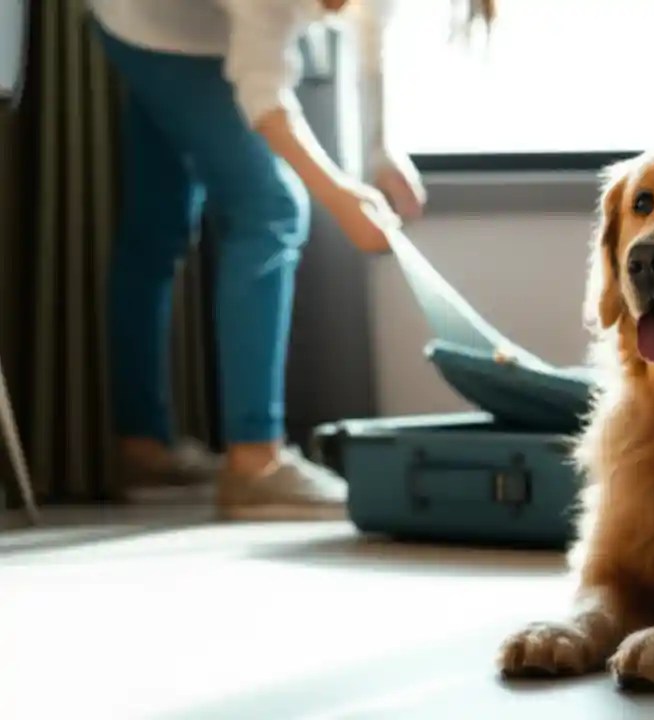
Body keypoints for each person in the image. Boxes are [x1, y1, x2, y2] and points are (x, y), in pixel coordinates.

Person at [86, 0, 494, 520]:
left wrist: (379, 149)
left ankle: (142, 448)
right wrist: (340, 194)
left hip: (193, 21)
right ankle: (256, 462)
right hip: (146, 21)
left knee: (156, 226)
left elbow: (372, 34)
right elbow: (266, 100)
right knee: (271, 208)